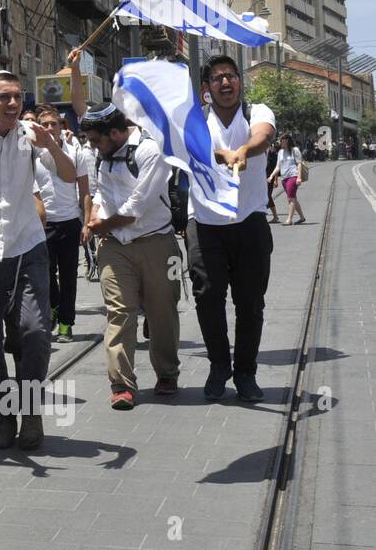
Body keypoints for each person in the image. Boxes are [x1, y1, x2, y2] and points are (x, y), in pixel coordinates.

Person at [0, 72, 78, 451]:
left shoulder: (30, 133)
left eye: (17, 97)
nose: (12, 104)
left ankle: (31, 412)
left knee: (35, 332)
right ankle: (5, 415)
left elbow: (69, 175)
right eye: (3, 97)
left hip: (28, 247)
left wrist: (51, 145)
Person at [78, 103, 182, 410]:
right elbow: (103, 193)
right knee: (119, 312)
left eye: (96, 140)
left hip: (156, 242)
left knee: (161, 310)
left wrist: (101, 224)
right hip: (114, 246)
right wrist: (95, 215)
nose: (93, 147)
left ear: (114, 132)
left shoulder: (150, 152)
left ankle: (166, 373)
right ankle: (121, 383)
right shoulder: (105, 154)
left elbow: (137, 207)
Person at [188, 55, 277, 402]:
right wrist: (224, 155)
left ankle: (245, 373)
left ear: (240, 81)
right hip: (205, 222)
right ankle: (219, 366)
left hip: (250, 222)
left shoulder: (257, 111)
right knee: (208, 298)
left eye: (231, 76)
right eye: (217, 78)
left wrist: (244, 150)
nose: (226, 83)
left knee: (250, 303)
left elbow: (263, 137)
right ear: (207, 88)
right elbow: (192, 150)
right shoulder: (195, 121)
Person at [34, 105, 92, 342]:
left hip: (69, 223)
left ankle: (66, 324)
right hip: (42, 225)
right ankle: (54, 308)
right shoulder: (32, 152)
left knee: (68, 276)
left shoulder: (75, 151)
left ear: (61, 127)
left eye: (53, 124)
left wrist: (86, 224)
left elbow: (85, 191)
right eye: (45, 124)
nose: (49, 128)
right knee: (45, 275)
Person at [270, 134, 306, 226]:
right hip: (284, 178)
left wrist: (299, 177)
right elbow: (278, 166)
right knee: (293, 198)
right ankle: (302, 217)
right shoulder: (280, 152)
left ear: (286, 141)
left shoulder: (295, 150)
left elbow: (299, 164)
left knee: (290, 198)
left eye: (281, 140)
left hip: (293, 176)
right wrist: (271, 176)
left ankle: (289, 219)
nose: (279, 142)